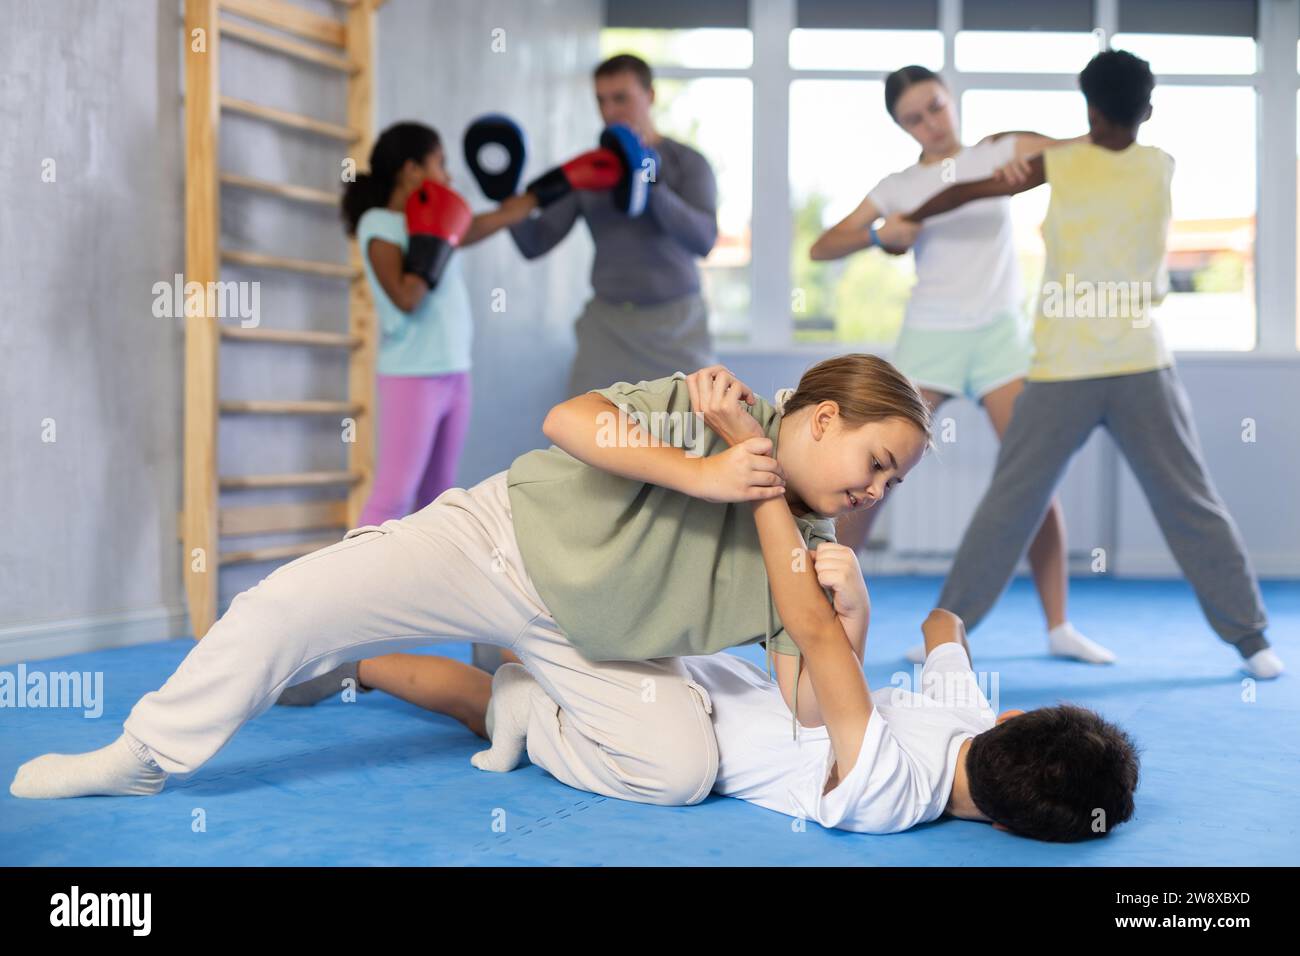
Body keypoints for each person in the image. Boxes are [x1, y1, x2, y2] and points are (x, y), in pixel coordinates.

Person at [9, 357, 932, 802]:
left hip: (593, 644)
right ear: (819, 418)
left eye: (895, 480)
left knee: (680, 773)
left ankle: (522, 698)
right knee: (286, 604)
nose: (877, 488)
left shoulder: (804, 551)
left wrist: (850, 615)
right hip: (500, 544)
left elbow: (811, 712)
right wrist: (704, 472)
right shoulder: (715, 406)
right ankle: (144, 755)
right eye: (878, 458)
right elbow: (568, 420)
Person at [897, 50, 1283, 679]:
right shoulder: (1154, 161)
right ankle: (1252, 642)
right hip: (1092, 367)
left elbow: (976, 189)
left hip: (1108, 366)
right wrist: (919, 211)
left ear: (1090, 109)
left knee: (1026, 503)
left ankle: (948, 628)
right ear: (1147, 111)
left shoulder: (1072, 161)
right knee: (1167, 504)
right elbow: (979, 186)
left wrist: (915, 214)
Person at [810, 65, 1108, 667]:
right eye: (915, 118)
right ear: (901, 126)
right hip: (931, 339)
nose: (931, 124)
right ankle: (820, 614)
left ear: (951, 101)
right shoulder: (898, 186)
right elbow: (823, 246)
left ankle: (1059, 626)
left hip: (1000, 338)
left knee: (1034, 476)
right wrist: (876, 235)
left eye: (936, 108)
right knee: (869, 475)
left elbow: (1084, 146)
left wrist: (1044, 166)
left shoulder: (1001, 150)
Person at [343, 121, 536, 525]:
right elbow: (406, 297)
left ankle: (416, 587)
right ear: (412, 170)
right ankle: (347, 587)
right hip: (412, 376)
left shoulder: (436, 221)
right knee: (393, 498)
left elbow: (492, 219)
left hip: (455, 373)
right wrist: (430, 254)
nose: (448, 176)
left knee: (437, 499)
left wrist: (553, 187)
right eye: (440, 163)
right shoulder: (379, 224)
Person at [509, 53, 720, 397]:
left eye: (620, 98)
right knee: (582, 439)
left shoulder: (688, 163)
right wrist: (507, 195)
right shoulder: (592, 169)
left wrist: (648, 182)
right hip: (607, 327)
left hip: (676, 326)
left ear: (650, 96)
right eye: (601, 100)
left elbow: (704, 240)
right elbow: (535, 242)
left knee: (689, 437)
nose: (609, 111)